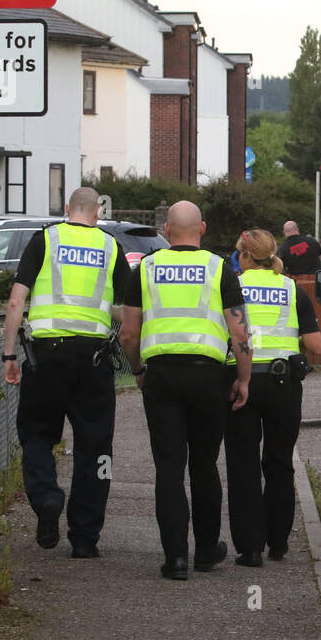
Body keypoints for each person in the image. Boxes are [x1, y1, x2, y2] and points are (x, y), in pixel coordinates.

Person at [119, 201, 252, 580]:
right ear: (203, 228)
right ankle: (207, 551)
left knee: (169, 468)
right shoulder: (219, 268)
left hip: (161, 376)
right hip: (209, 377)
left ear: (165, 228)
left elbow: (128, 333)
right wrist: (243, 379)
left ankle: (175, 558)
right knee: (205, 464)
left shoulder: (145, 268)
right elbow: (240, 333)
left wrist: (138, 370)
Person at [1, 187, 131, 558]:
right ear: (98, 211)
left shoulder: (45, 239)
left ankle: (46, 497)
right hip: (93, 360)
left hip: (46, 357)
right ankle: (85, 538)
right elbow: (125, 308)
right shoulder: (109, 247)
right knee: (95, 446)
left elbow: (15, 301)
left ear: (65, 209)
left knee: (38, 434)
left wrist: (10, 354)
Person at [223, 230, 321, 566]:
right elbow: (317, 346)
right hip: (283, 384)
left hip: (243, 382)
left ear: (245, 256)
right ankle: (278, 543)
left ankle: (250, 548)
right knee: (279, 463)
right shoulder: (292, 289)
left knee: (244, 466)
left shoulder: (231, 286)